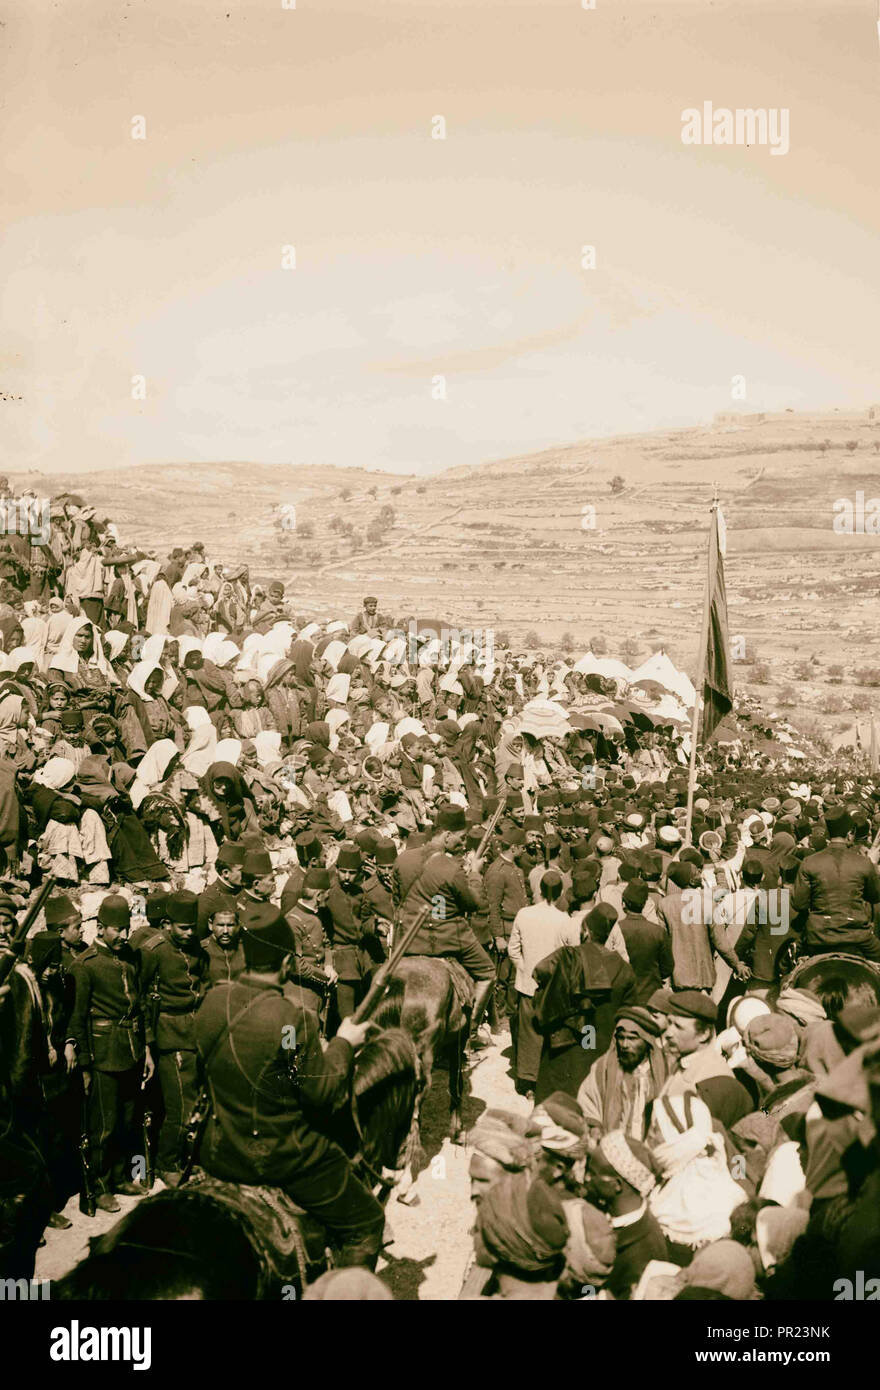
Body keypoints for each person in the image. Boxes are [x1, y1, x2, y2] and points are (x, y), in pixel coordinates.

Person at [193, 914, 384, 1267]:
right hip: (280, 1156)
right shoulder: (290, 1020)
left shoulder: (211, 1002)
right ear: (285, 963)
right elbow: (320, 1093)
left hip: (218, 1151)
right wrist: (343, 1043)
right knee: (367, 1223)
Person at [66, 894, 154, 1212]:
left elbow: (140, 1005)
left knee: (128, 1121)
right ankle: (100, 1187)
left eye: (127, 929)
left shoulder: (130, 958)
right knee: (103, 1126)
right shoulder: (85, 966)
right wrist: (86, 1067)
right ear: (101, 928)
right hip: (103, 1054)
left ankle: (119, 1178)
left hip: (130, 1049)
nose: (124, 936)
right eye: (117, 929)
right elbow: (77, 1018)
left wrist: (146, 1050)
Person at [137, 890, 209, 1186]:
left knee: (197, 1103)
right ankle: (167, 1163)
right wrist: (148, 1043)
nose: (190, 933)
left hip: (196, 1035)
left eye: (193, 927)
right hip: (170, 1036)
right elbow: (139, 999)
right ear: (167, 923)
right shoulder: (153, 951)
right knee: (180, 1106)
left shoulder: (198, 950)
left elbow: (204, 986)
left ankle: (188, 1158)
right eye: (184, 928)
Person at [508, 870, 579, 1095]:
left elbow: (513, 949)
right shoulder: (565, 920)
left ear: (539, 890)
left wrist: (523, 968)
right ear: (559, 895)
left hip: (528, 983)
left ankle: (526, 1081)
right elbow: (570, 955)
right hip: (553, 987)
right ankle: (546, 1079)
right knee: (552, 1030)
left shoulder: (524, 914)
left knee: (528, 1032)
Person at [584, 1131, 667, 1300]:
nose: (586, 1178)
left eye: (593, 1173)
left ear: (616, 1185)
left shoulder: (642, 1256)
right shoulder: (609, 1211)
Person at [791, 806, 880, 961]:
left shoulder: (809, 862)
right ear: (850, 833)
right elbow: (875, 896)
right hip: (859, 937)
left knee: (789, 969)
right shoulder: (864, 863)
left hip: (817, 936)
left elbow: (799, 903)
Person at [577, 1006, 669, 1142]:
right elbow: (588, 1101)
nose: (625, 1045)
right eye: (621, 1038)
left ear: (647, 1041)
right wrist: (595, 1128)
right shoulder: (603, 1067)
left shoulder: (665, 1067)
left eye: (632, 1039)